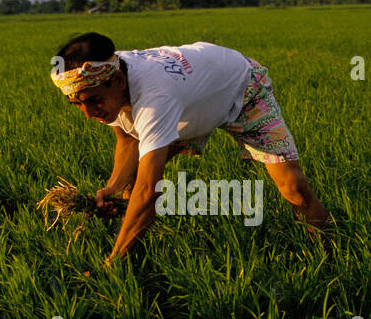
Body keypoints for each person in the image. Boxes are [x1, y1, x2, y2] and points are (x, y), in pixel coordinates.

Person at [51, 33, 330, 264]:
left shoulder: (154, 97)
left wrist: (111, 264)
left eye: (94, 101)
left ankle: (330, 255)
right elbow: (128, 140)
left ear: (120, 82)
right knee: (131, 186)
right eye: (78, 104)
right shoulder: (104, 76)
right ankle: (139, 257)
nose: (88, 113)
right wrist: (113, 187)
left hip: (241, 88)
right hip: (190, 107)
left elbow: (150, 192)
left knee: (292, 187)